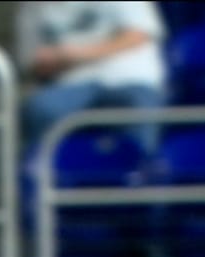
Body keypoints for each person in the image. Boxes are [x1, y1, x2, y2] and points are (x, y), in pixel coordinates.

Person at [17, 1, 168, 154]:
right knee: (41, 108)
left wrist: (76, 54)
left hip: (129, 77)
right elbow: (34, 64)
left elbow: (138, 34)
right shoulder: (32, 6)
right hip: (69, 83)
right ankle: (44, 173)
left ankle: (143, 171)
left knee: (139, 108)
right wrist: (59, 59)